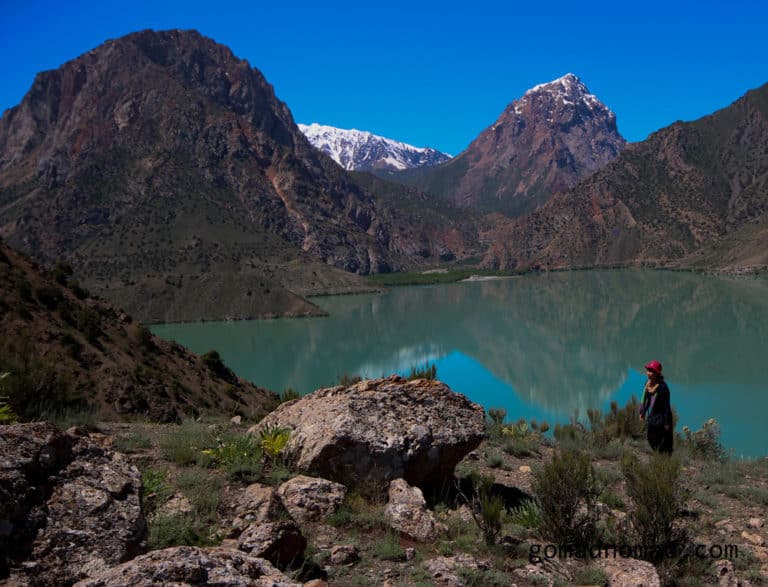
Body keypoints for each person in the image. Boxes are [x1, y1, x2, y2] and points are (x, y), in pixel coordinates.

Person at [638, 360, 673, 453]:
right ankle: (659, 454)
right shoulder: (648, 384)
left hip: (662, 418)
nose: (649, 373)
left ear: (657, 373)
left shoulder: (663, 388)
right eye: (648, 370)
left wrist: (666, 423)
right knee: (651, 438)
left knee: (662, 441)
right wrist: (643, 412)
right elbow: (647, 400)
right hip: (653, 416)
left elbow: (666, 407)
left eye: (651, 371)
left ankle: (662, 457)